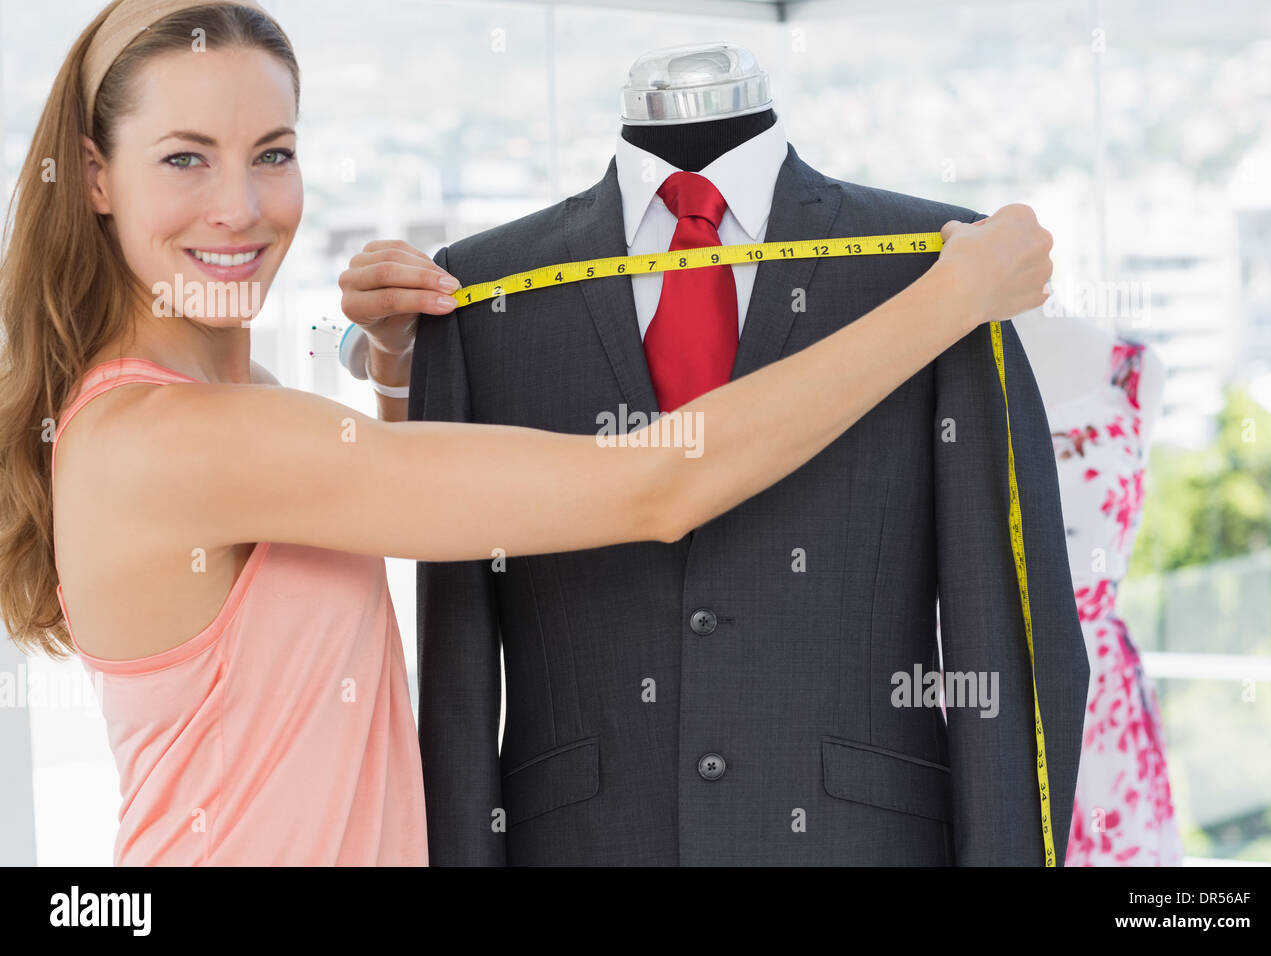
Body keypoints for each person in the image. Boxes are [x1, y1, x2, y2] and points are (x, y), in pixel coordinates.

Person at [0, 0, 1053, 866]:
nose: (239, 205)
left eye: (270, 153)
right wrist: (947, 300)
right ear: (94, 176)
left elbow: (394, 512)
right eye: (185, 159)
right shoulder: (171, 439)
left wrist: (413, 372)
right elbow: (651, 487)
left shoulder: (240, 409)